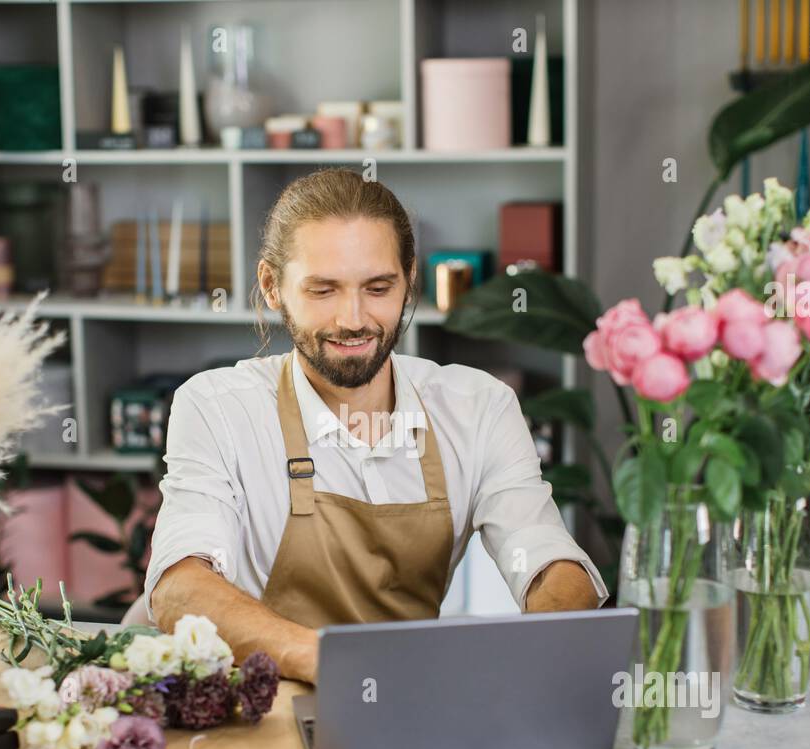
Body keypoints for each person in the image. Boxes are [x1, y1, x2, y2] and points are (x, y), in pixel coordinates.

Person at [145, 168, 606, 683]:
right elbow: (180, 588)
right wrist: (344, 668)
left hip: (407, 702)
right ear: (272, 287)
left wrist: (539, 649)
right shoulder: (217, 408)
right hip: (259, 706)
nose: (353, 319)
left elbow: (546, 560)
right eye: (323, 290)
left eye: (378, 287)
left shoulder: (479, 408)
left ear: (409, 280)